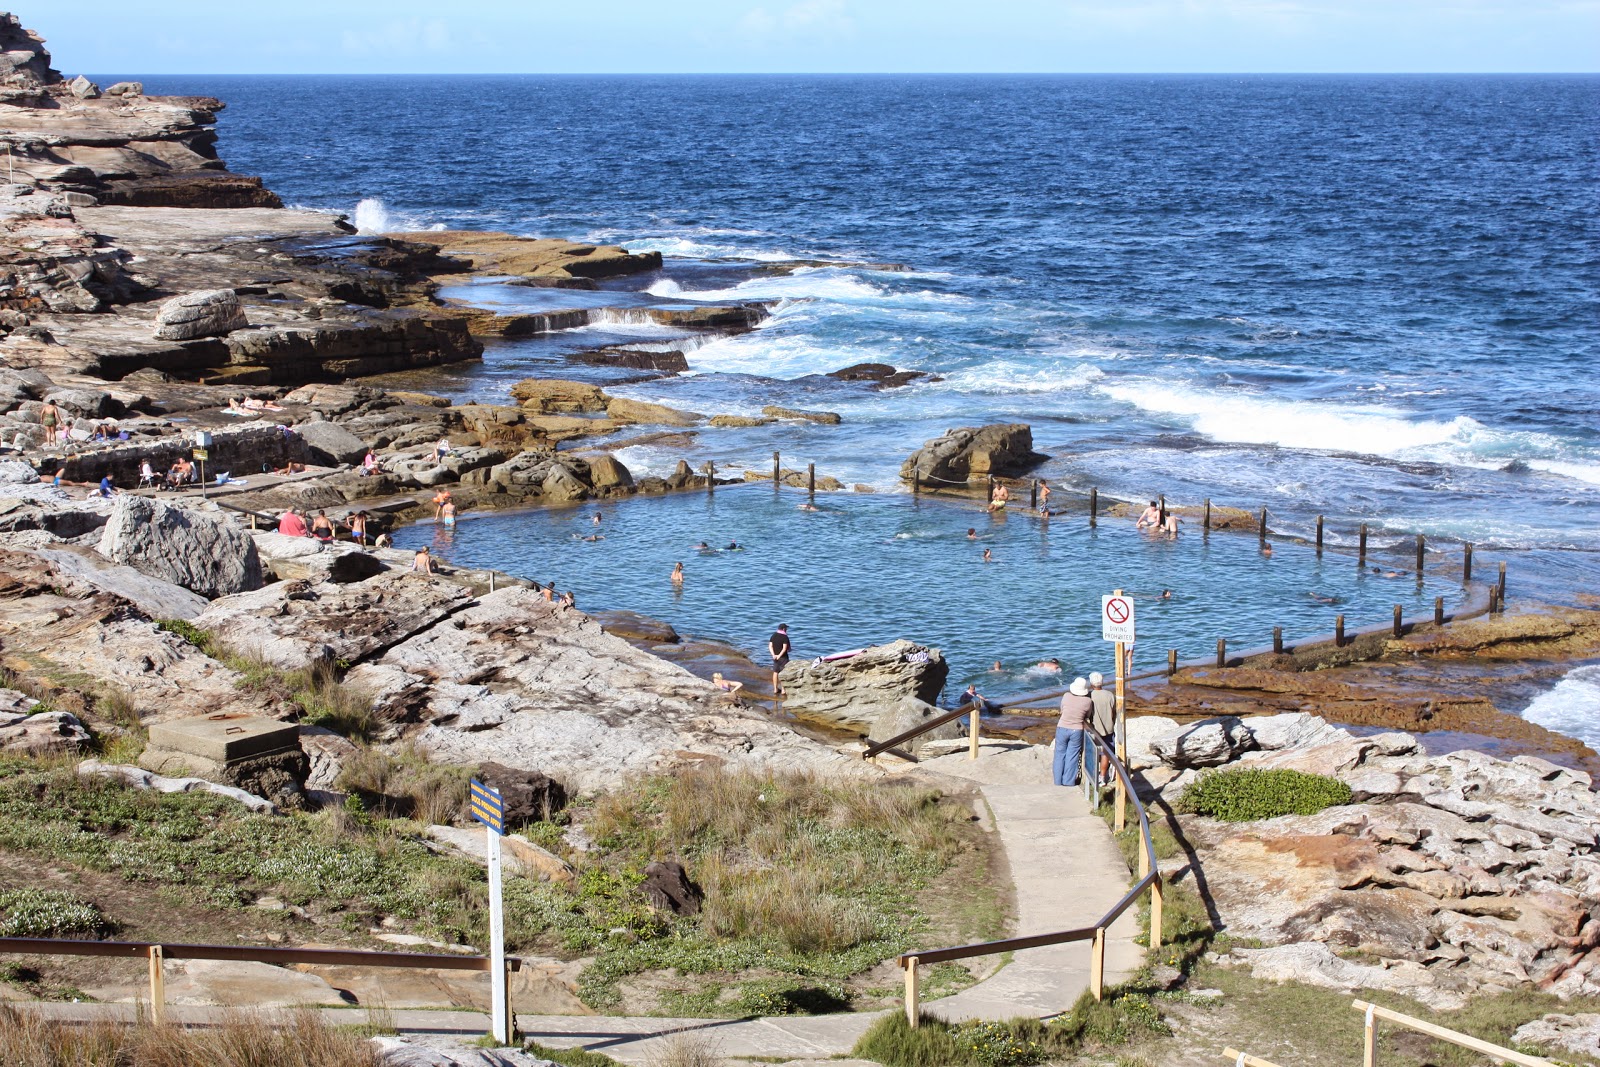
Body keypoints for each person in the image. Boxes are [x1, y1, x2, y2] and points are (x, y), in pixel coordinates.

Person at [1054, 678, 1093, 787]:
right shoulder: (1088, 701)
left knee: (1059, 754)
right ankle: (1068, 781)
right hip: (1077, 729)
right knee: (1073, 755)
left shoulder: (1066, 696)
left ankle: (1057, 781)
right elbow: (1088, 715)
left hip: (1062, 727)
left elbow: (1062, 709)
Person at [1089, 672, 1117, 785]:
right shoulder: (1110, 695)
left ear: (1091, 683)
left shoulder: (1089, 696)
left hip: (1094, 729)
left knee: (1092, 752)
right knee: (1106, 753)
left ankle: (1092, 775)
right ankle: (1102, 777)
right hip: (1108, 728)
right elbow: (1114, 712)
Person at [769, 624, 792, 696]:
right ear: (784, 629)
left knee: (775, 672)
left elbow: (770, 646)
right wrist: (779, 656)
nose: (786, 630)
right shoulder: (785, 637)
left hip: (775, 657)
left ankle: (775, 689)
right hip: (783, 657)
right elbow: (784, 648)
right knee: (783, 673)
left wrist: (773, 655)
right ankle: (783, 690)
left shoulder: (774, 635)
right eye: (786, 629)